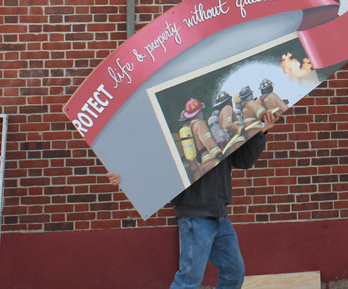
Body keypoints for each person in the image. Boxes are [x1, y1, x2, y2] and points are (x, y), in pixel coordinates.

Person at [107, 110, 276, 289]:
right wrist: (124, 176)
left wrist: (261, 132)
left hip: (219, 215)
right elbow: (152, 164)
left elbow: (243, 161)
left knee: (233, 274)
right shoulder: (178, 141)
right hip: (194, 217)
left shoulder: (217, 134)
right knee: (189, 280)